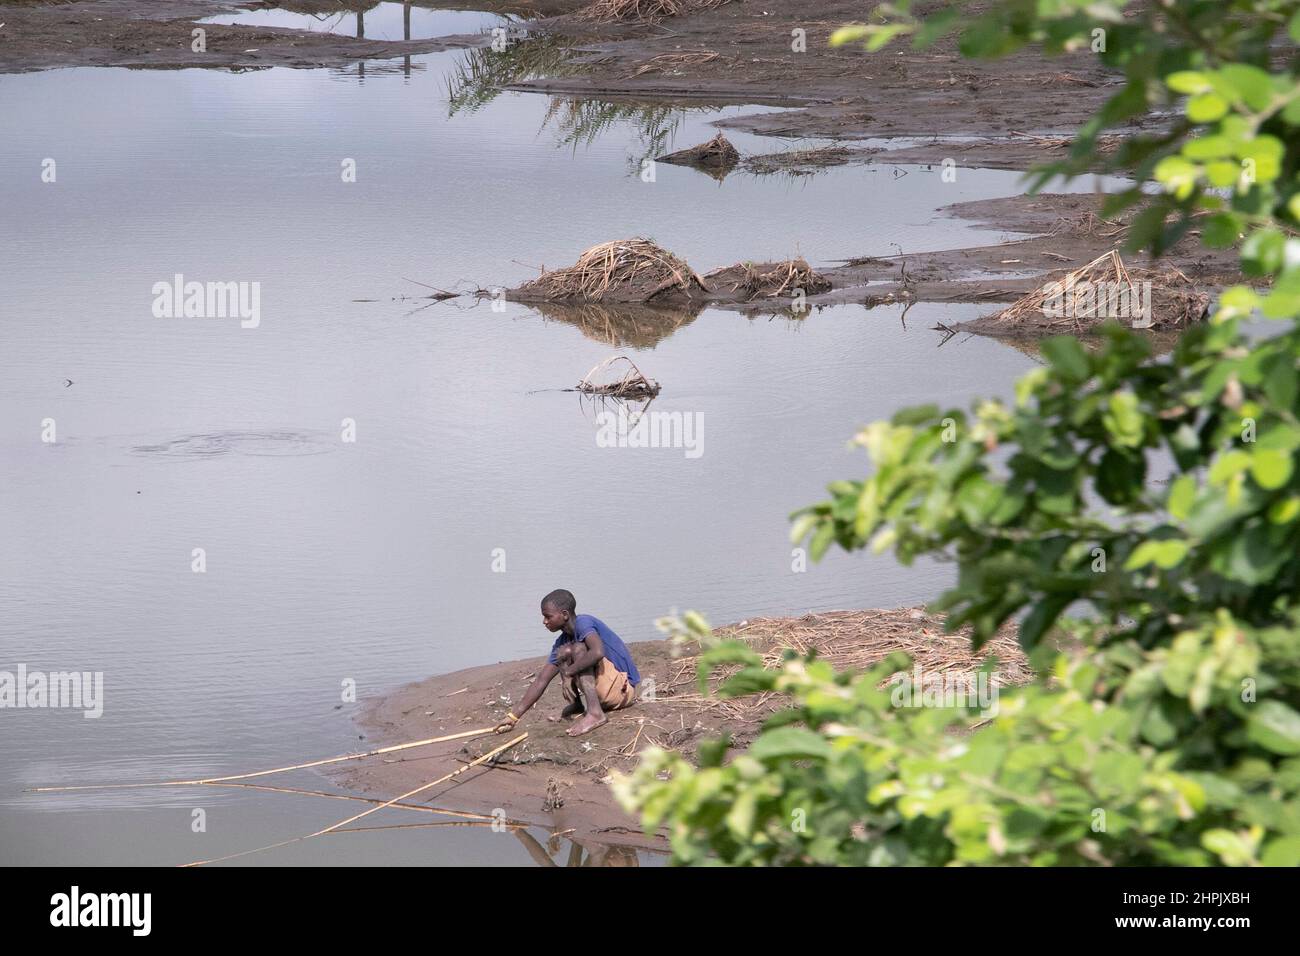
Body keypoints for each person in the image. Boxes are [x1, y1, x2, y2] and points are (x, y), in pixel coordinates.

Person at [496, 589, 641, 738]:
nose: (544, 622)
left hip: (622, 690)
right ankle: (577, 704)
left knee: (578, 649)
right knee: (563, 652)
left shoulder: (584, 622)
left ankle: (595, 714)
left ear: (565, 614)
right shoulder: (562, 641)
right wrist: (513, 717)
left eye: (548, 616)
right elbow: (541, 680)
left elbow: (597, 652)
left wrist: (568, 673)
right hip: (605, 693)